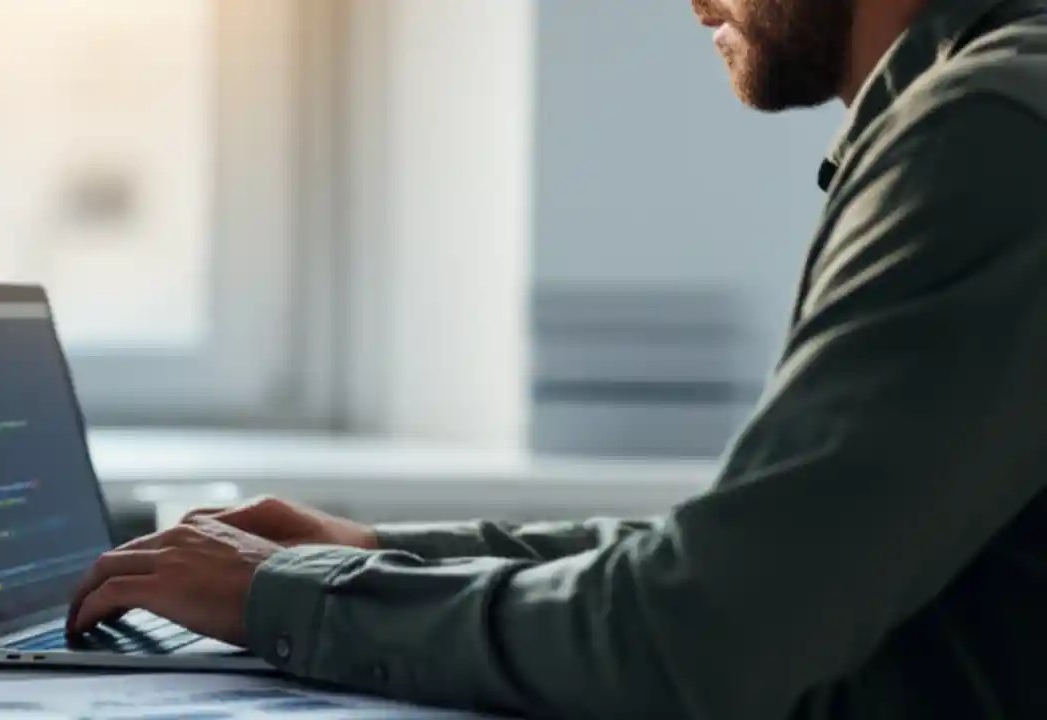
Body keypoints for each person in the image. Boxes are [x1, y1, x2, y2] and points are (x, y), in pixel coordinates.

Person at [66, 0, 1047, 715]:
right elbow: (752, 561)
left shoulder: (983, 133)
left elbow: (705, 631)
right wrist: (377, 558)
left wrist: (286, 598)